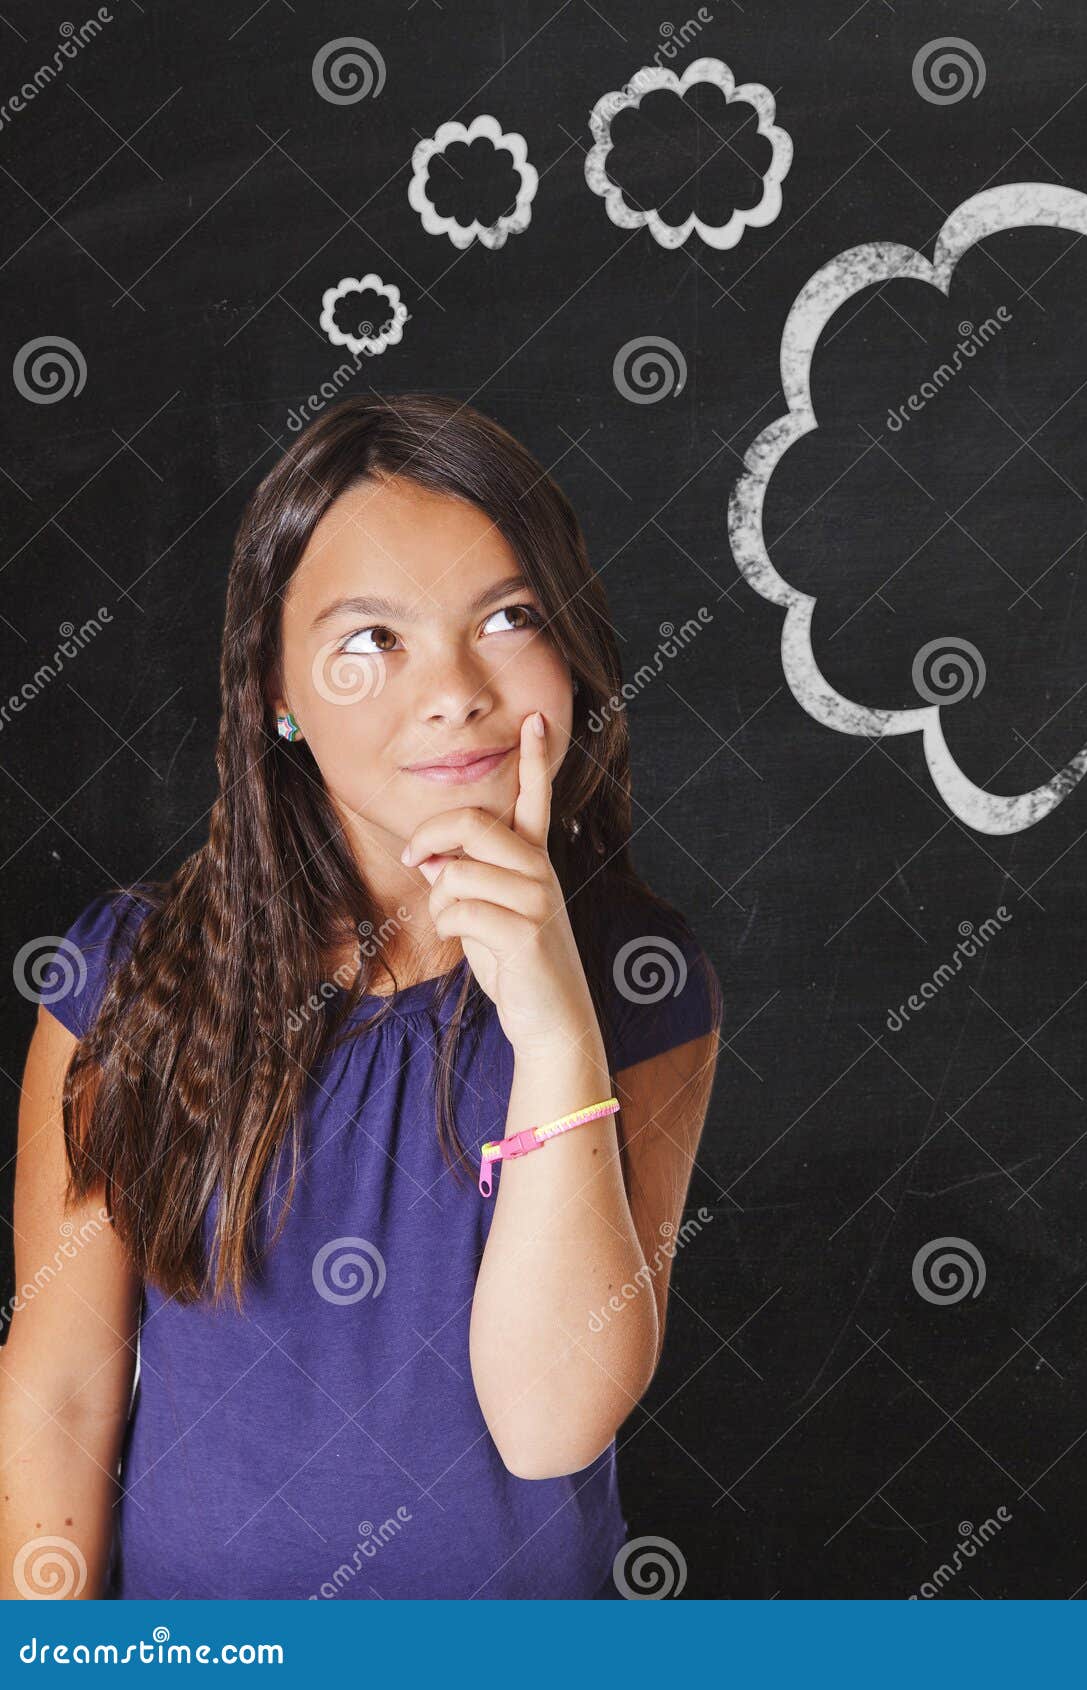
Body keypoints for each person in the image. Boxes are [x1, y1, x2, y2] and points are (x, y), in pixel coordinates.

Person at [0, 393, 722, 1599]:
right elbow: (59, 1384)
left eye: (507, 616)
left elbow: (550, 1421)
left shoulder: (638, 985)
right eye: (371, 638)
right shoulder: (123, 978)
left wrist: (549, 1027)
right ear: (276, 686)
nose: (451, 690)